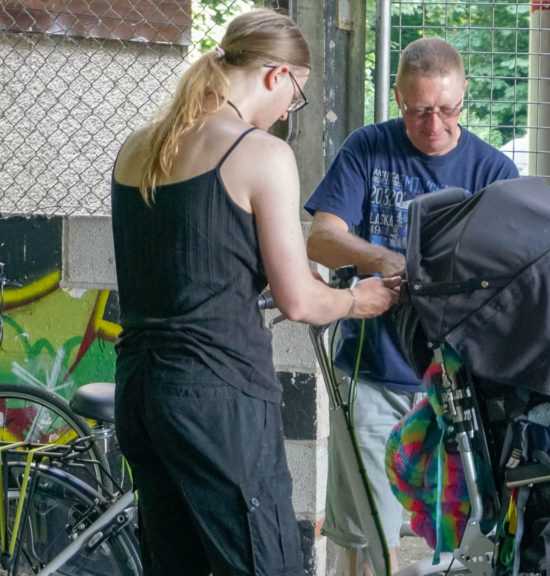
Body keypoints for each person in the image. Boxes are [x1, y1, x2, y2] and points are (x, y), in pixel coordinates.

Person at [109, 9, 399, 575]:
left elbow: (186, 258)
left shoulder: (138, 148)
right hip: (217, 395)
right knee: (264, 562)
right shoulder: (261, 153)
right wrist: (357, 300)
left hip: (141, 391)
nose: (289, 112)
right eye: (297, 97)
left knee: (175, 562)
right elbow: (301, 302)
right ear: (277, 76)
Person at [304, 37, 519, 573]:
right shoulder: (366, 148)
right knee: (367, 535)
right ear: (397, 96)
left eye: (448, 109)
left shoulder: (493, 171)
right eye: (420, 111)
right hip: (371, 367)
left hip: (457, 381)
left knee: (469, 526)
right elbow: (320, 238)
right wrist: (382, 258)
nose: (435, 124)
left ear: (464, 94)